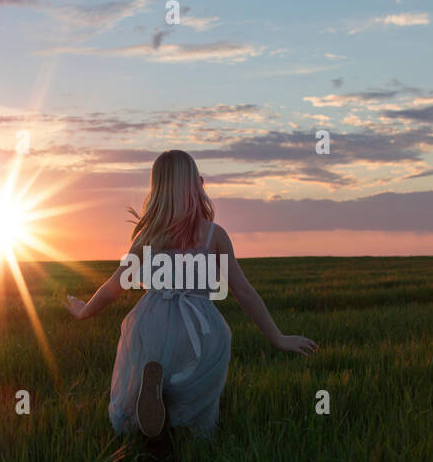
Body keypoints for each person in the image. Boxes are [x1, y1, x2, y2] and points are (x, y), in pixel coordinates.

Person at [65, 149, 316, 437]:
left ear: (157, 189)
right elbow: (244, 292)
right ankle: (177, 420)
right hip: (200, 325)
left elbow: (113, 287)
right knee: (193, 396)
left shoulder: (147, 238)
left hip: (151, 324)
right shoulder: (213, 235)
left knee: (140, 392)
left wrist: (84, 311)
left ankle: (152, 403)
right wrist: (278, 337)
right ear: (196, 184)